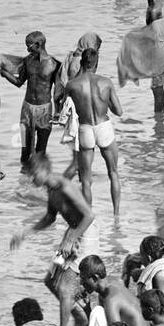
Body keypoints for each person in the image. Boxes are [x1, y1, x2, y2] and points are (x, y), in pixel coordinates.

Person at [10, 154, 96, 326]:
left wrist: (71, 239)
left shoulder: (64, 186)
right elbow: (50, 218)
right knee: (50, 280)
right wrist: (25, 232)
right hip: (70, 235)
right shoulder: (51, 190)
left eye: (34, 174)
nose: (32, 179)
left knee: (65, 289)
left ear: (44, 170)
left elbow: (89, 215)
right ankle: (81, 316)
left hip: (86, 234)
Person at [66, 44, 123, 213]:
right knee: (113, 172)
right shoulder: (106, 82)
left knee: (85, 179)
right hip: (103, 127)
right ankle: (116, 215)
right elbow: (119, 111)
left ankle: (88, 218)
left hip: (85, 129)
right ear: (96, 63)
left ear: (82, 63)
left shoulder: (72, 85)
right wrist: (105, 105)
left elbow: (65, 110)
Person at [0, 31, 62, 165]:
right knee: (25, 151)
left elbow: (58, 92)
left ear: (39, 44)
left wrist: (58, 112)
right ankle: (23, 180)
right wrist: (4, 73)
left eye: (29, 46)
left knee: (40, 152)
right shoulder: (27, 61)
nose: (27, 49)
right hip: (27, 109)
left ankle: (36, 182)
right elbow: (19, 82)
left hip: (45, 110)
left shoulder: (55, 64)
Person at [117, 0, 164, 116]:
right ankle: (160, 118)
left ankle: (159, 119)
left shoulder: (153, 10)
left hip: (160, 49)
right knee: (158, 86)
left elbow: (150, 34)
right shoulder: (159, 2)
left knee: (157, 88)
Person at [79, 254, 150, 326]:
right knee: (97, 312)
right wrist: (87, 309)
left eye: (83, 279)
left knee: (97, 312)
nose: (81, 283)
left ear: (94, 278)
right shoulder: (111, 286)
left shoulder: (110, 299)